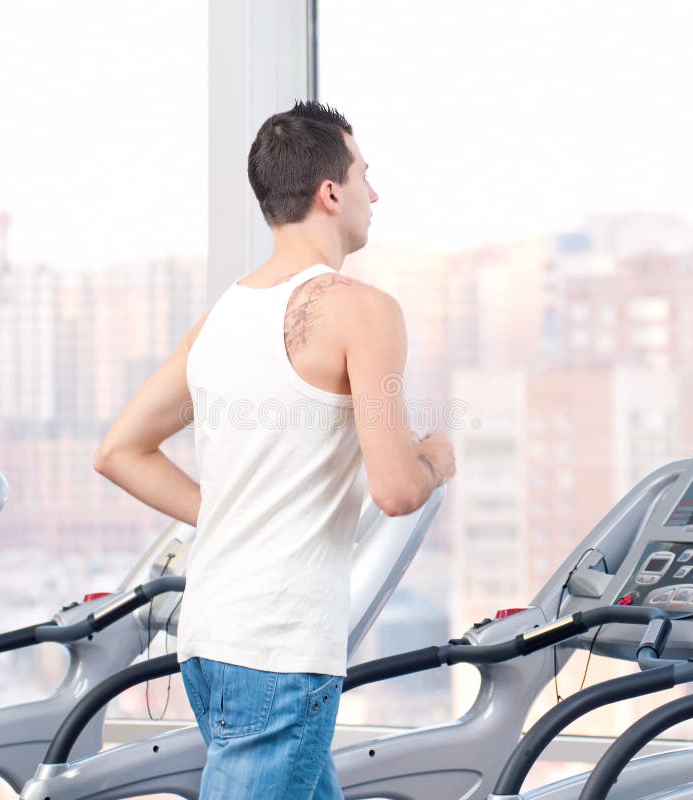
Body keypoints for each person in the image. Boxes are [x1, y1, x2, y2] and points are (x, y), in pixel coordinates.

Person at [93, 100, 456, 799]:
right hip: (279, 649)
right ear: (330, 192)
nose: (373, 194)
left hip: (212, 639)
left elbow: (120, 450)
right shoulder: (363, 309)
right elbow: (398, 490)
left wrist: (236, 515)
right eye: (364, 176)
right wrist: (438, 458)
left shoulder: (223, 316)